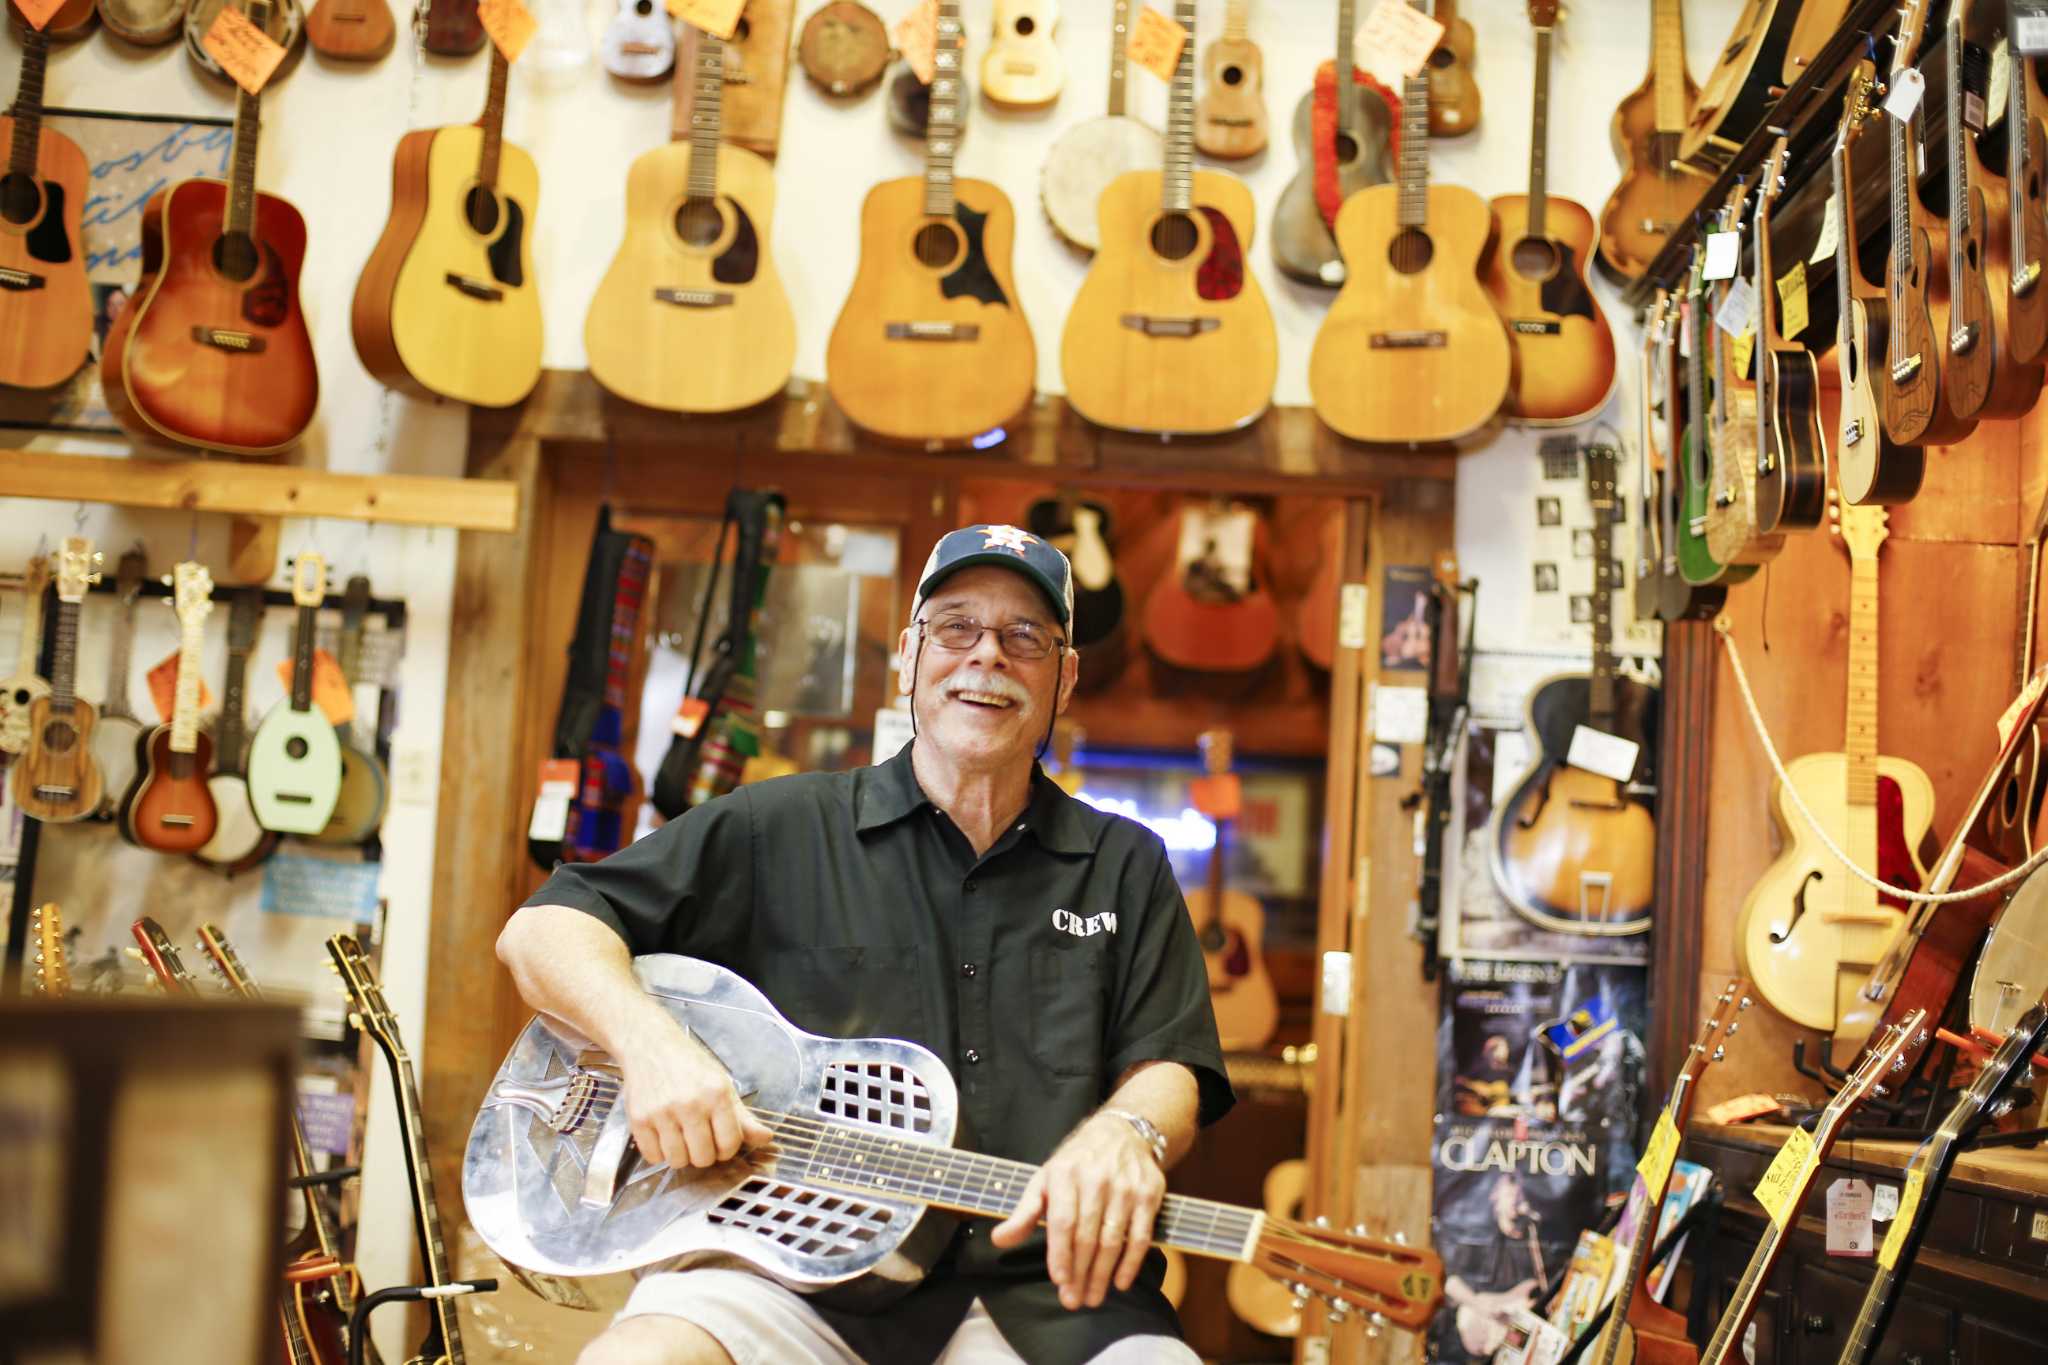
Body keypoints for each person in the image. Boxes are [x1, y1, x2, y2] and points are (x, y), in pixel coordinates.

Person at [497, 524, 1234, 1365]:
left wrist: (1130, 1132)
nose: (986, 655)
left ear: (1064, 677)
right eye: (956, 627)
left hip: (1054, 1293)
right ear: (910, 656)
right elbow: (543, 930)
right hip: (782, 1270)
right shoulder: (780, 824)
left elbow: (1171, 1060)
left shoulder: (1124, 863)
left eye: (1024, 636)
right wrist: (650, 1046)